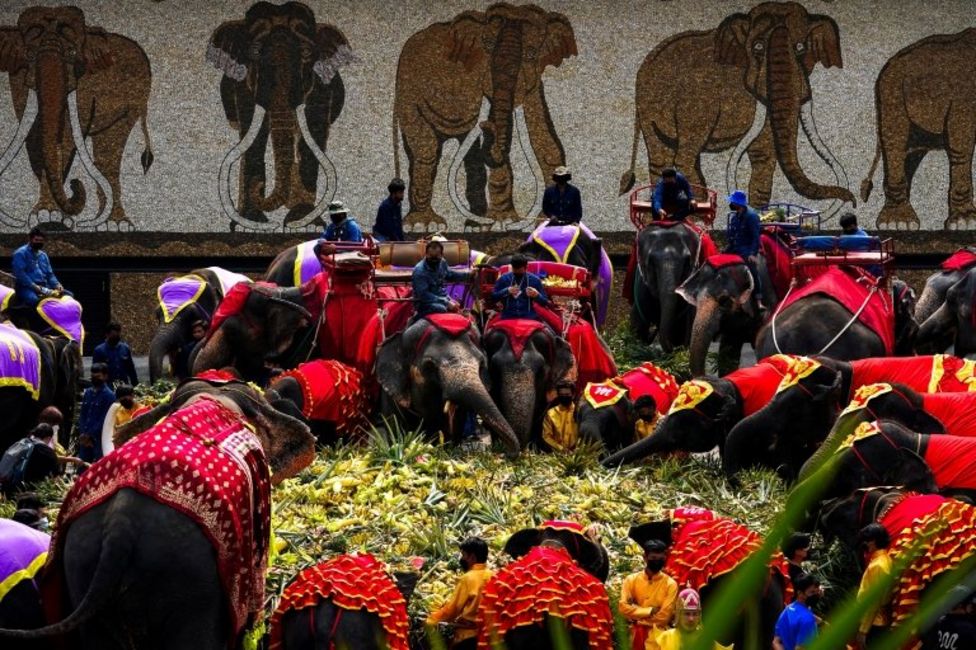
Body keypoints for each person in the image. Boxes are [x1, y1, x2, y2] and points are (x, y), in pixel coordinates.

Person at [427, 537, 493, 650]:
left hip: (469, 637)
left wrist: (431, 620)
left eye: (464, 555)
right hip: (490, 635)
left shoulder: (468, 578)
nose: (462, 559)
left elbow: (452, 610)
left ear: (472, 557)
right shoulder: (493, 575)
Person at [619, 538, 678, 650]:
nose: (657, 561)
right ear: (645, 558)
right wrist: (649, 611)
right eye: (653, 558)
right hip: (634, 636)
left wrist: (636, 615)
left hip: (659, 639)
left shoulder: (671, 584)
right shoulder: (630, 580)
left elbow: (664, 617)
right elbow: (623, 608)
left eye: (660, 559)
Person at [855, 523, 894, 650]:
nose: (864, 545)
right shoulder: (885, 559)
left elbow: (874, 601)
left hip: (874, 624)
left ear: (872, 541)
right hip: (878, 621)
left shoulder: (878, 565)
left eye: (865, 541)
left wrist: (863, 630)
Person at [654, 588, 731, 650]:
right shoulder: (665, 638)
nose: (691, 619)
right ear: (678, 615)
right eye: (687, 614)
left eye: (695, 614)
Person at [725, 190, 764, 307]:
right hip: (735, 247)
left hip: (746, 249)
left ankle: (759, 300)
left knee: (752, 270)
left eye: (732, 201)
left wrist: (753, 253)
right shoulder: (735, 217)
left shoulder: (752, 216)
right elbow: (732, 236)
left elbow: (756, 237)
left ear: (738, 203)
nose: (730, 203)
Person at [412, 240, 469, 317]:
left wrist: (468, 275)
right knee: (441, 308)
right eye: (431, 257)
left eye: (436, 258)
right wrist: (446, 302)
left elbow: (450, 275)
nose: (434, 261)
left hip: (441, 297)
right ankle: (416, 318)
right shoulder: (419, 271)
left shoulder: (442, 262)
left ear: (442, 255)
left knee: (458, 306)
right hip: (424, 302)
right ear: (426, 255)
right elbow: (423, 295)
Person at [0, 424, 60, 495]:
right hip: (33, 493)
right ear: (49, 438)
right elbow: (55, 476)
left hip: (11, 488)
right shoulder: (49, 453)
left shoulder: (22, 443)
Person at [11, 226, 64, 307]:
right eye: (36, 240)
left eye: (41, 241)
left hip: (44, 287)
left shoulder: (43, 255)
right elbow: (20, 274)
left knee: (68, 295)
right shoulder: (20, 253)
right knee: (37, 302)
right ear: (30, 239)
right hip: (26, 288)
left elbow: (50, 274)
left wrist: (57, 285)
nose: (39, 242)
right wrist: (34, 286)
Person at [77, 363, 116, 465]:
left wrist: (90, 435)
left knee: (99, 465)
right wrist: (82, 433)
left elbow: (104, 419)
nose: (95, 379)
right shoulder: (88, 393)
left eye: (98, 377)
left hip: (99, 439)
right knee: (82, 466)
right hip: (85, 438)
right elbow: (83, 415)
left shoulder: (109, 396)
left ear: (105, 376)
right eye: (93, 377)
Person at [490, 254, 549, 321]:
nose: (517, 272)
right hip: (508, 317)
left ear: (526, 267)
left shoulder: (534, 280)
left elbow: (545, 302)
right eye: (515, 270)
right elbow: (493, 298)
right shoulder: (504, 278)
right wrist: (506, 291)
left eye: (519, 270)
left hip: (529, 318)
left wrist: (537, 295)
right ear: (512, 267)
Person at [773, 573, 821, 650]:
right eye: (812, 592)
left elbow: (776, 641)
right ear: (800, 593)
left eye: (817, 591)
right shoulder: (807, 619)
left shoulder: (788, 609)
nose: (816, 595)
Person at [92, 322, 139, 387]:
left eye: (118, 335)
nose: (116, 338)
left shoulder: (125, 349)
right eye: (113, 336)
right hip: (107, 387)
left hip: (123, 386)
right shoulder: (99, 351)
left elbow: (131, 369)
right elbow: (95, 372)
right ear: (107, 335)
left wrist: (136, 386)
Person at [101, 385, 141, 456]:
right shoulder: (117, 413)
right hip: (125, 449)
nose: (123, 400)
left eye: (125, 398)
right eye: (121, 399)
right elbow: (115, 435)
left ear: (132, 396)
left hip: (140, 446)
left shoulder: (142, 409)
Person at [542, 380, 579, 452]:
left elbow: (584, 433)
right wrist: (561, 449)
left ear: (573, 395)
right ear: (558, 395)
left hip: (579, 454)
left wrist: (578, 448)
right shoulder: (551, 413)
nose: (564, 397)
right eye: (561, 395)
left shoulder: (579, 412)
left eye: (567, 395)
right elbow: (546, 436)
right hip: (557, 456)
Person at [373, 178, 406, 242]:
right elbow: (389, 228)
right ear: (394, 194)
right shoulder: (385, 206)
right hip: (382, 234)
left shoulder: (398, 205)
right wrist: (398, 241)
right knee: (385, 248)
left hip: (390, 234)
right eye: (400, 193)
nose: (402, 195)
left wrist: (403, 242)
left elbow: (398, 225)